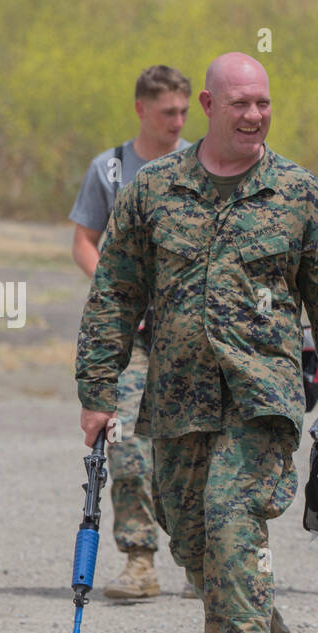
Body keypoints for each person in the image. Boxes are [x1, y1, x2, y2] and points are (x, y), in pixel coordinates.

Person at [75, 52, 318, 633]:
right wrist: (96, 391)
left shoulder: (297, 194)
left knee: (232, 528)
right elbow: (115, 292)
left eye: (263, 102)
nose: (255, 115)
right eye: (240, 103)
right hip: (176, 401)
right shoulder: (153, 191)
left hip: (261, 402)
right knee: (194, 544)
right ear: (207, 105)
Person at [69, 64, 193, 600]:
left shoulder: (199, 164)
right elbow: (83, 240)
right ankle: (139, 560)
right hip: (131, 336)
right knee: (124, 445)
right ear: (142, 109)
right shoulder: (112, 170)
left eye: (185, 112)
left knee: (193, 448)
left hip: (189, 333)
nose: (178, 122)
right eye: (169, 112)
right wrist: (117, 288)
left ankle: (202, 562)